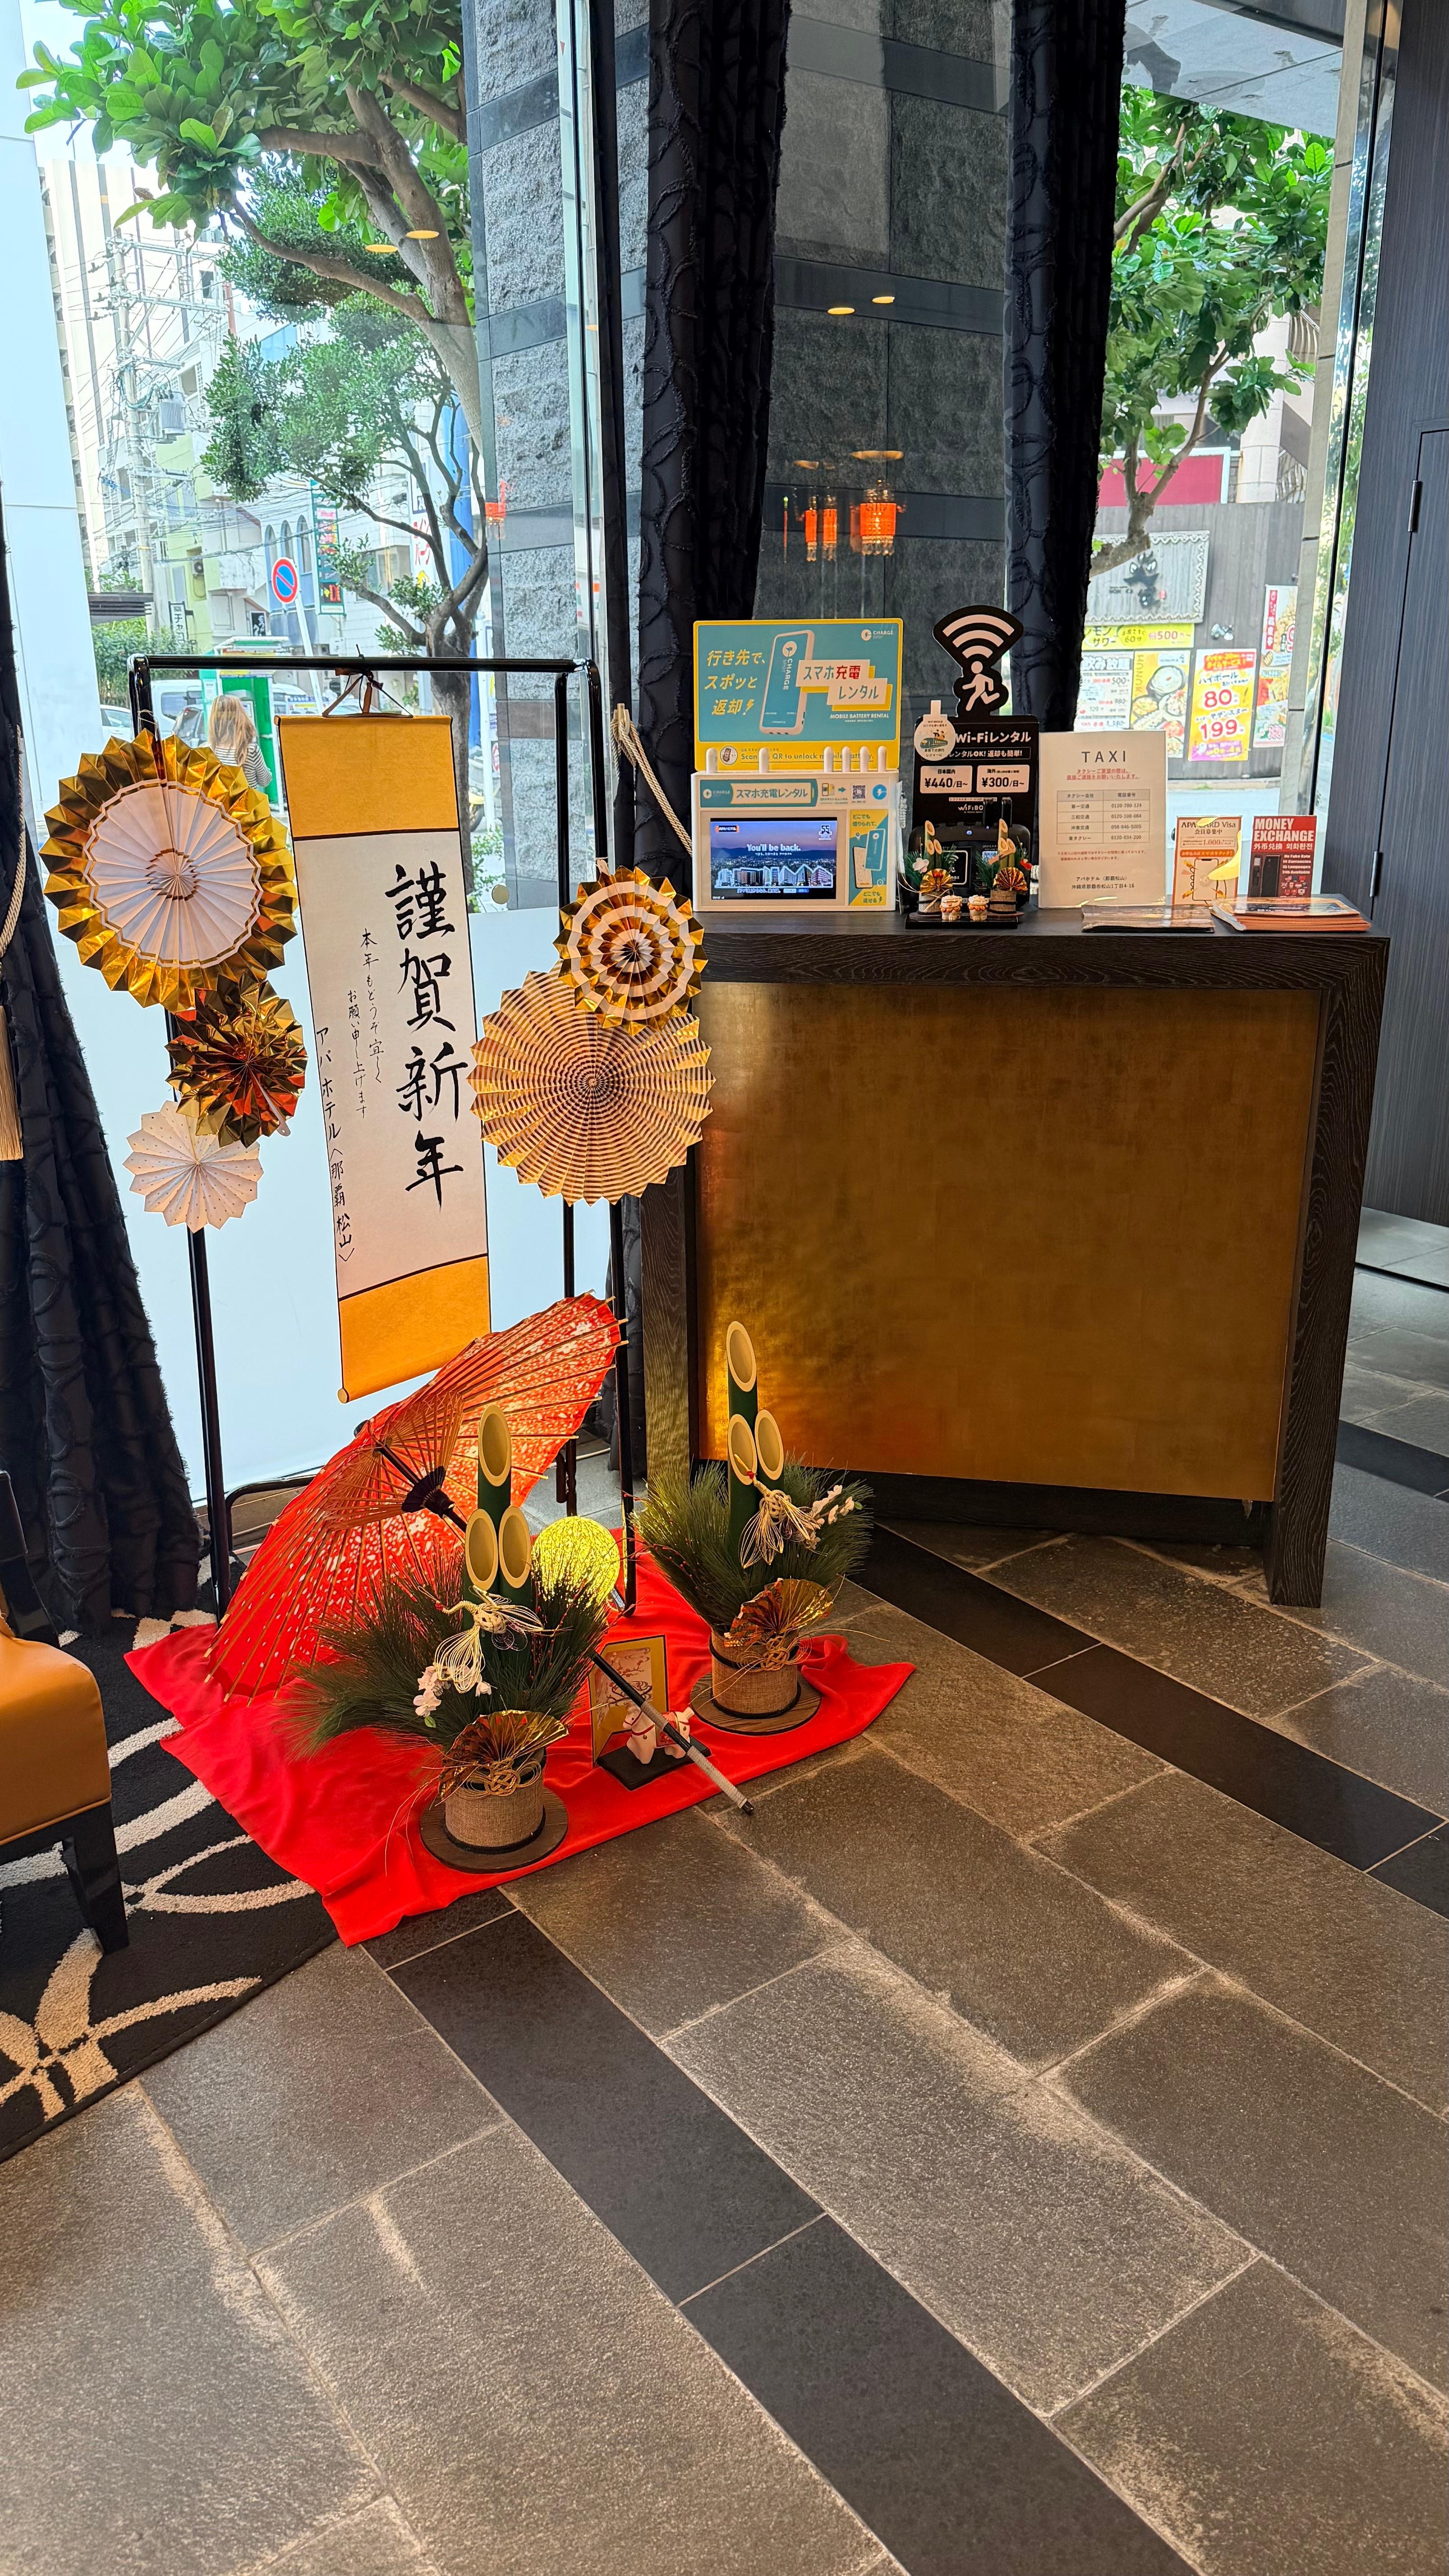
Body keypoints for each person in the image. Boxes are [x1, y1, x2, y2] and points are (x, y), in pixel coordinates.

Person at [207, 692, 272, 793]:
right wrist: (268, 772)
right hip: (247, 803)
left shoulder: (207, 751)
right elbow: (265, 781)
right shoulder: (251, 750)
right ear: (241, 717)